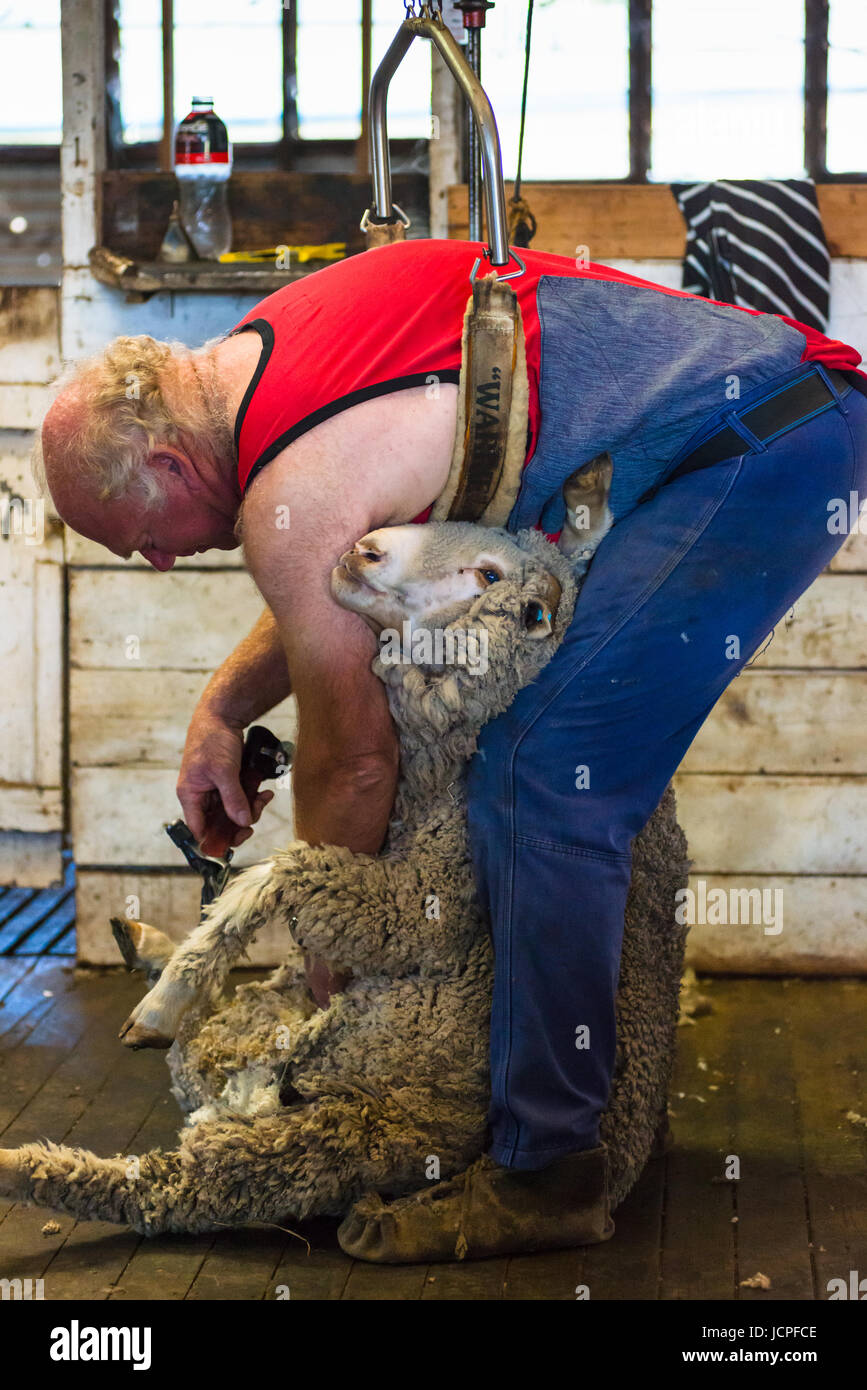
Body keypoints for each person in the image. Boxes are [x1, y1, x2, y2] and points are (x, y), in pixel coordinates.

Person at [35, 237, 867, 1261]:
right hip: (754, 421)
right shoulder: (265, 367)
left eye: (138, 537)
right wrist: (223, 707)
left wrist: (332, 963)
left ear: (165, 463)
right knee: (568, 769)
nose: (157, 560)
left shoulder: (286, 484)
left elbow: (354, 763)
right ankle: (599, 1102)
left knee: (544, 777)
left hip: (761, 446)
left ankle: (548, 1172)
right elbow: (340, 590)